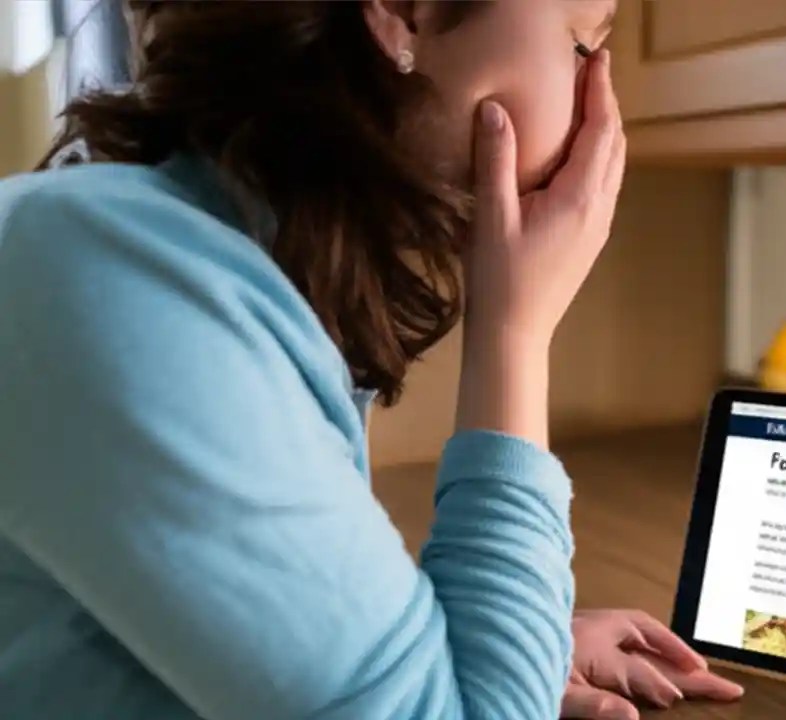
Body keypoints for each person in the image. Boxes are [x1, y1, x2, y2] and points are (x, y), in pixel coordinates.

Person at [0, 2, 743, 719]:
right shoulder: (130, 288)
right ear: (403, 12)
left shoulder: (211, 260)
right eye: (581, 45)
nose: (598, 103)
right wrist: (514, 335)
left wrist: (494, 644)